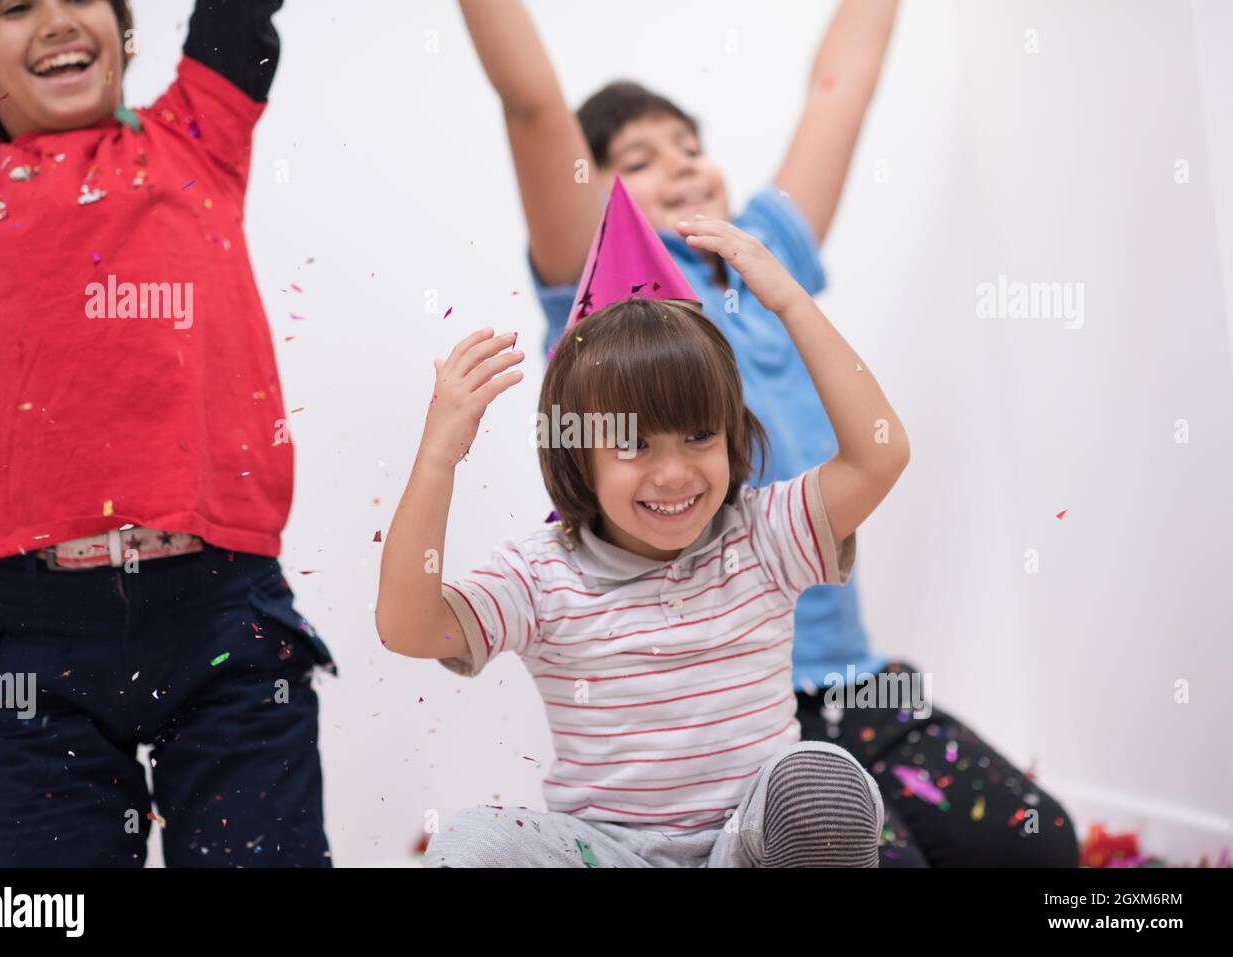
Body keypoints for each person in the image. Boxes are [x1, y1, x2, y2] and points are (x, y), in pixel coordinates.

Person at [456, 0, 1079, 866]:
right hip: (740, 732)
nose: (682, 165)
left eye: (688, 146)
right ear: (592, 195)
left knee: (1041, 846)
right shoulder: (598, 304)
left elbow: (840, 92)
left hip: (857, 682)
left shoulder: (763, 258)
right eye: (639, 159)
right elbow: (532, 106)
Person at [377, 180, 910, 867]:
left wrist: (786, 301)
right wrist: (438, 456)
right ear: (579, 454)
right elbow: (408, 625)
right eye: (633, 445)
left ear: (730, 435)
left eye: (698, 436)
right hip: (608, 854)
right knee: (473, 841)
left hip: (745, 850)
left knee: (822, 780)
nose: (673, 474)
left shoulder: (764, 534)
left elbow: (881, 452)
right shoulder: (542, 572)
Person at [0, 0, 334, 867]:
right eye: (14, 8)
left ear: (124, 31)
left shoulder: (198, 131)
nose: (57, 21)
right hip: (23, 641)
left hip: (225, 613)